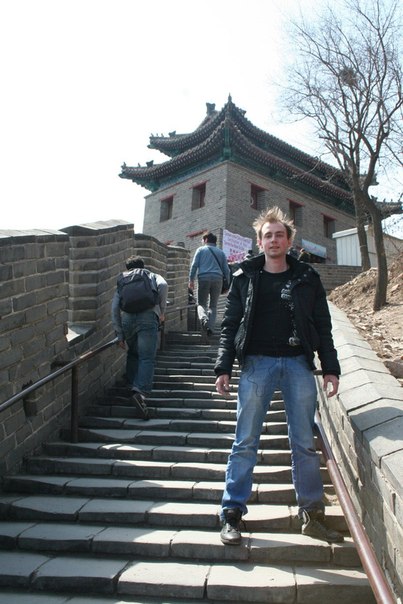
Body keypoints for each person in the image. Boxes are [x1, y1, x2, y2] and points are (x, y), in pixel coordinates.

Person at [214, 206, 343, 546]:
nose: (273, 240)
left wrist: (330, 367)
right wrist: (223, 367)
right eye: (267, 235)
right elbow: (230, 325)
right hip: (257, 364)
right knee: (245, 441)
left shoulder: (307, 277)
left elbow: (323, 325)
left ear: (289, 241)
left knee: (304, 442)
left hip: (297, 363)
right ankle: (231, 513)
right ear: (259, 242)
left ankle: (312, 515)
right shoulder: (244, 277)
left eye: (279, 235)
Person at [111, 255, 168, 418]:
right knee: (146, 357)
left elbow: (114, 308)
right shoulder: (151, 275)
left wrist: (119, 334)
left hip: (127, 319)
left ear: (127, 268)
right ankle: (140, 392)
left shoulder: (123, 279)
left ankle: (130, 385)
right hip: (148, 317)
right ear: (143, 266)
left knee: (133, 353)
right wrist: (161, 311)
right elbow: (163, 285)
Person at [188, 232, 231, 337]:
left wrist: (191, 280)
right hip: (218, 280)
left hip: (203, 278)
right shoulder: (221, 253)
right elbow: (227, 270)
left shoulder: (200, 250)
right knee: (213, 306)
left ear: (206, 240)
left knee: (201, 304)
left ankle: (204, 318)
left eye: (202, 239)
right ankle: (210, 329)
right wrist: (227, 285)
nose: (201, 241)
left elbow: (194, 266)